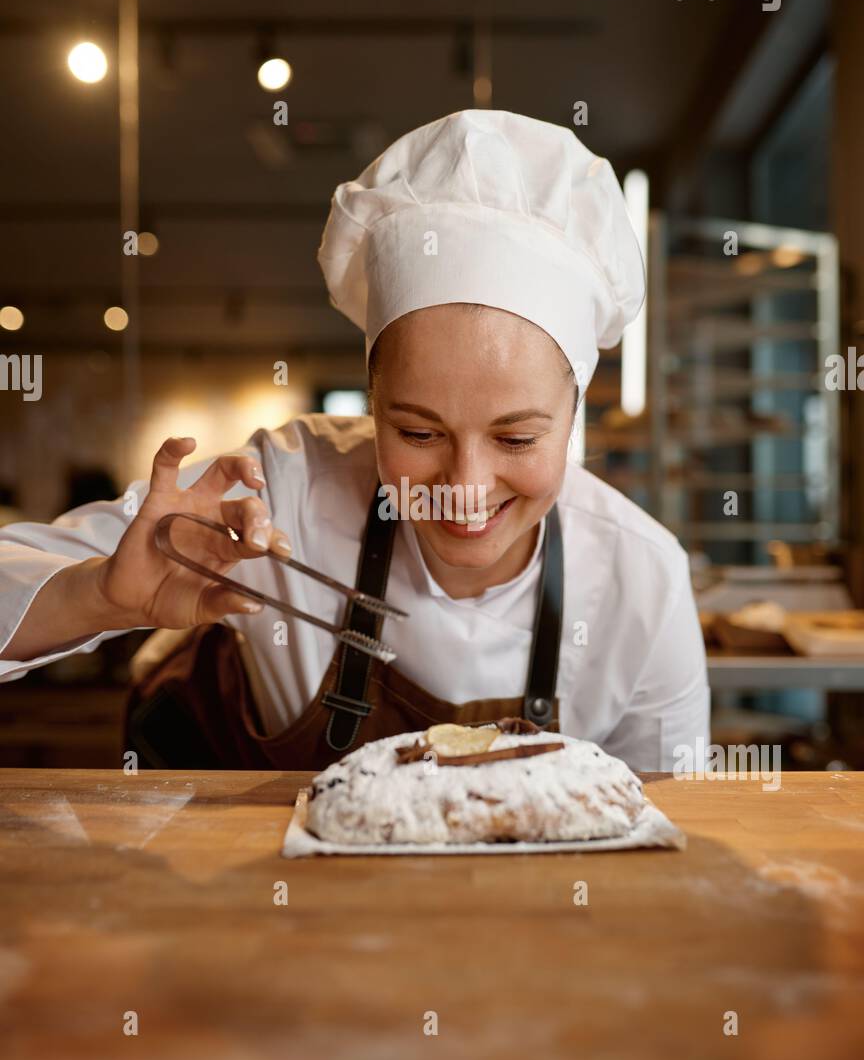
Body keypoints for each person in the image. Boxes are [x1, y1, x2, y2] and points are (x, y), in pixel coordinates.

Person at [0, 110, 710, 771]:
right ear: (370, 404)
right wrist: (99, 595)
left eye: (517, 437)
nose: (466, 481)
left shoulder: (640, 583)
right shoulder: (278, 494)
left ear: (576, 409)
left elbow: (660, 847)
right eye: (418, 430)